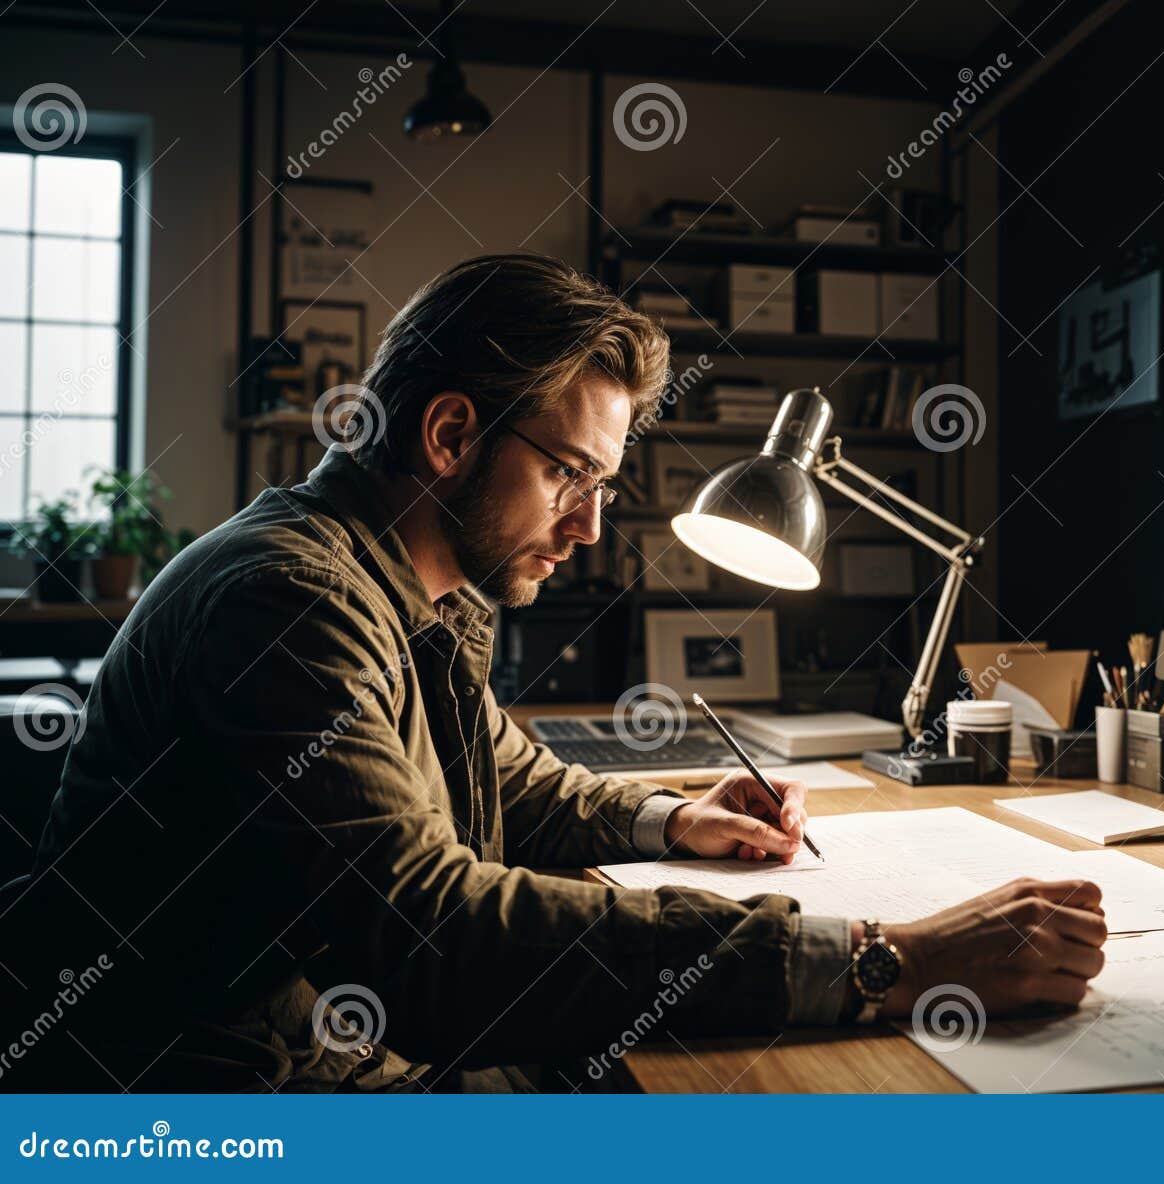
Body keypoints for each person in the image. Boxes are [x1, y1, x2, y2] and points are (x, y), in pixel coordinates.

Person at [4, 254, 1106, 1092]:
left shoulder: (403, 588)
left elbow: (514, 777)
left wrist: (676, 815)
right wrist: (882, 959)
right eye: (569, 473)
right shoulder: (288, 604)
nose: (587, 526)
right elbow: (438, 937)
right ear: (447, 433)